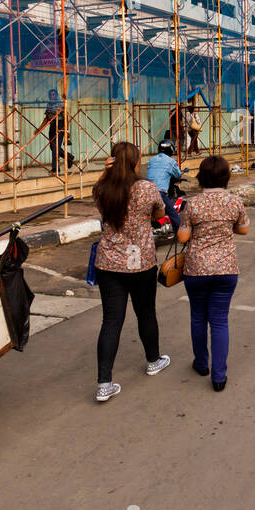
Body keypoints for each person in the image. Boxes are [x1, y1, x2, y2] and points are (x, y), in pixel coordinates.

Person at [92, 141, 170, 403]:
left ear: (112, 161)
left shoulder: (103, 188)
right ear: (136, 163)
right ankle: (153, 360)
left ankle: (104, 383)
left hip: (108, 264)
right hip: (140, 263)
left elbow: (101, 204)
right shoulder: (146, 188)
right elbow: (160, 214)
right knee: (145, 312)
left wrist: (105, 172)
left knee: (111, 320)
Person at [177, 155, 249, 391]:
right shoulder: (235, 202)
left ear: (202, 177)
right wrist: (226, 228)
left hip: (196, 269)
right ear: (226, 177)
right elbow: (244, 229)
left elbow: (183, 237)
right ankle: (219, 376)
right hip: (226, 269)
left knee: (198, 317)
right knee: (219, 321)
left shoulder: (193, 204)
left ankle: (201, 363)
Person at [33, 89, 74, 174]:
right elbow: (47, 118)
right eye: (50, 95)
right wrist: (39, 129)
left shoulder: (60, 104)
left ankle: (55, 168)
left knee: (56, 148)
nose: (52, 96)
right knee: (53, 147)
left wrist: (65, 131)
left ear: (56, 95)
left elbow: (66, 117)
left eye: (53, 94)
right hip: (52, 126)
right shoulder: (48, 105)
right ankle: (69, 157)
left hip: (60, 125)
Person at [146, 140, 183, 232]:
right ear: (171, 149)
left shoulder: (152, 159)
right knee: (173, 214)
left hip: (146, 191)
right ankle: (180, 234)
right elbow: (178, 175)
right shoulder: (171, 161)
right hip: (159, 192)